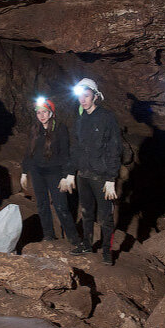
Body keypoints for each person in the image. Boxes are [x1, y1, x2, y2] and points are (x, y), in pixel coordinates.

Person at [60, 78, 122, 265]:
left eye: (86, 96)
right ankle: (87, 244)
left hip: (102, 176)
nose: (83, 100)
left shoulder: (106, 117)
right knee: (86, 211)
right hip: (84, 175)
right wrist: (71, 172)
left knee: (106, 215)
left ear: (95, 96)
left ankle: (106, 251)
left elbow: (114, 147)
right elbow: (76, 147)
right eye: (80, 96)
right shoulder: (80, 120)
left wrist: (111, 177)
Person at [20, 97, 85, 252]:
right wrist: (24, 171)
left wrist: (67, 175)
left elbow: (65, 153)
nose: (41, 115)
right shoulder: (35, 128)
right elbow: (30, 151)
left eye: (45, 112)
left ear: (51, 113)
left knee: (61, 206)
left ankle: (74, 239)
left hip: (54, 172)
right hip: (37, 171)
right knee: (42, 205)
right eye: (39, 112)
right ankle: (49, 235)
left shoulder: (60, 129)